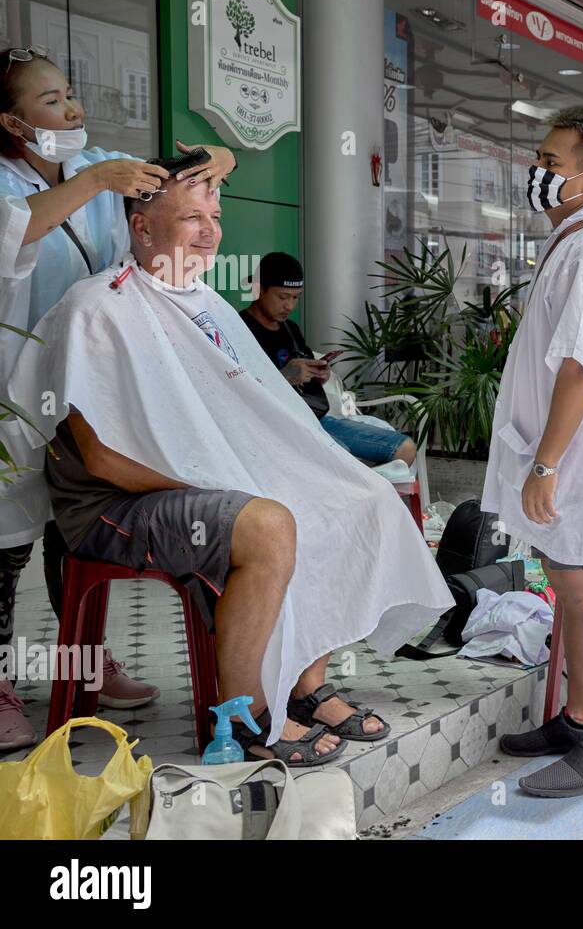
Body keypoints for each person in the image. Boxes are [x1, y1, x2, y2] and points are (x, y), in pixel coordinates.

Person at [0, 166, 453, 759]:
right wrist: (219, 480)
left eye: (215, 218)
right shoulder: (95, 308)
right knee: (268, 521)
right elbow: (102, 457)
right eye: (191, 217)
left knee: (354, 493)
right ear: (140, 225)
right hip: (114, 505)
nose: (210, 232)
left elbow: (255, 413)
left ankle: (304, 687)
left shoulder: (207, 304)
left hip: (188, 486)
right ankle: (245, 714)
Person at [0, 47, 236, 750]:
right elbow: (18, 228)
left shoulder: (97, 165)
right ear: (13, 121)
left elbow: (192, 164)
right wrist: (96, 179)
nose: (70, 108)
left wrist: (212, 160)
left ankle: (85, 663)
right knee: (6, 543)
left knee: (71, 535)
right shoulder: (39, 181)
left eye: (70, 94)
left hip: (87, 381)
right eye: (51, 101)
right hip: (12, 387)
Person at [487, 105, 583, 797]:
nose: (536, 173)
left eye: (550, 163)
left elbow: (578, 366)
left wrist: (546, 462)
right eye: (539, 160)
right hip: (558, 455)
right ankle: (578, 718)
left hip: (579, 459)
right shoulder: (570, 244)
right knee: (569, 593)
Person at [240, 251, 417, 468]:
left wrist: (319, 374)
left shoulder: (290, 328)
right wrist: (284, 376)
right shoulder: (239, 329)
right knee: (341, 463)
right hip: (276, 425)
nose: (290, 306)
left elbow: (305, 377)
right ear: (259, 290)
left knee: (405, 449)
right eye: (282, 297)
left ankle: (366, 494)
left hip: (316, 418)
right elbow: (237, 390)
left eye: (296, 297)